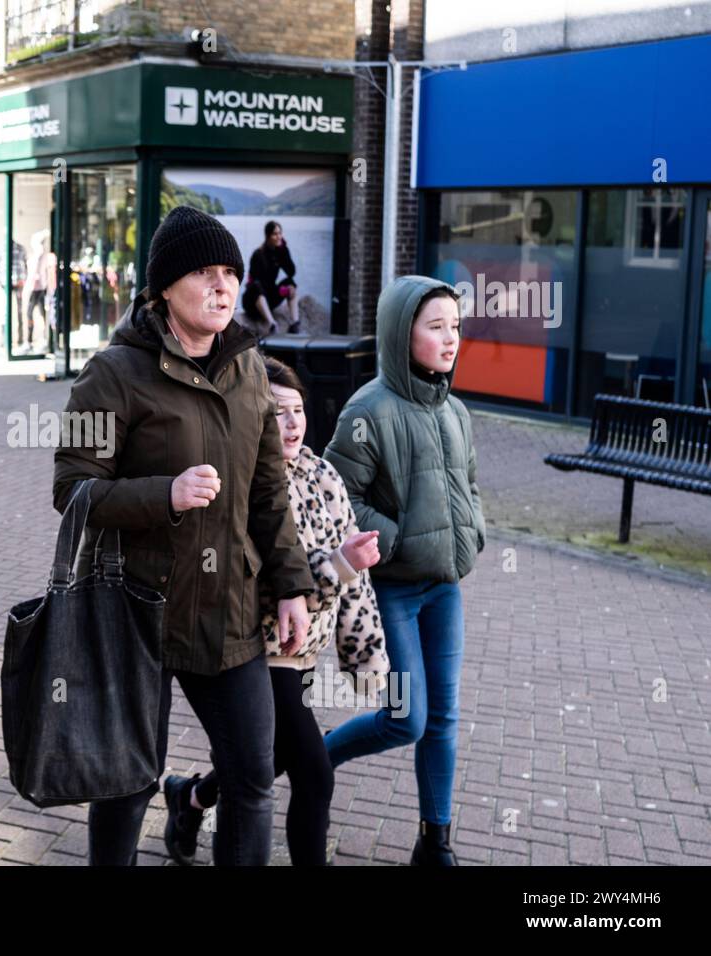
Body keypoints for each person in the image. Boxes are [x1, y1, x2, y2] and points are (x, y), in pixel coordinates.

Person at [53, 205, 316, 867]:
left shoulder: (251, 368)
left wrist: (290, 586)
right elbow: (72, 489)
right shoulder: (113, 372)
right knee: (128, 778)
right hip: (137, 610)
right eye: (206, 272)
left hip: (227, 608)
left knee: (253, 778)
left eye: (230, 271)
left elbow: (268, 493)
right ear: (165, 286)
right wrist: (163, 495)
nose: (224, 285)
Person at [162, 357, 390, 866]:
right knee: (313, 771)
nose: (292, 423)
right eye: (277, 411)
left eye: (299, 410)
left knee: (266, 761)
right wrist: (338, 565)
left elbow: (356, 583)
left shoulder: (322, 473)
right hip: (259, 648)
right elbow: (252, 575)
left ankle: (190, 797)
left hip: (305, 650)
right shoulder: (241, 480)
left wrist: (364, 656)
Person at [319, 275, 486, 865]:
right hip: (391, 588)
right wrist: (393, 539)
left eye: (456, 327)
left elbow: (467, 483)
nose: (450, 340)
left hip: (444, 588)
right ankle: (317, 757)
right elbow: (336, 494)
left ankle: (433, 841)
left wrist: (476, 530)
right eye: (435, 327)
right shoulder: (367, 410)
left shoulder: (456, 411)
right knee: (407, 718)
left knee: (443, 716)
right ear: (400, 332)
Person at [241, 221, 300, 336]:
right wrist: (281, 291)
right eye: (275, 234)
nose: (279, 237)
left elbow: (291, 272)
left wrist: (285, 251)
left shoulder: (280, 252)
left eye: (280, 233)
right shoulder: (258, 254)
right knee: (257, 285)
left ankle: (295, 323)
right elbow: (257, 283)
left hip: (268, 298)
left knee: (291, 283)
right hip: (253, 300)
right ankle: (272, 323)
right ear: (268, 236)